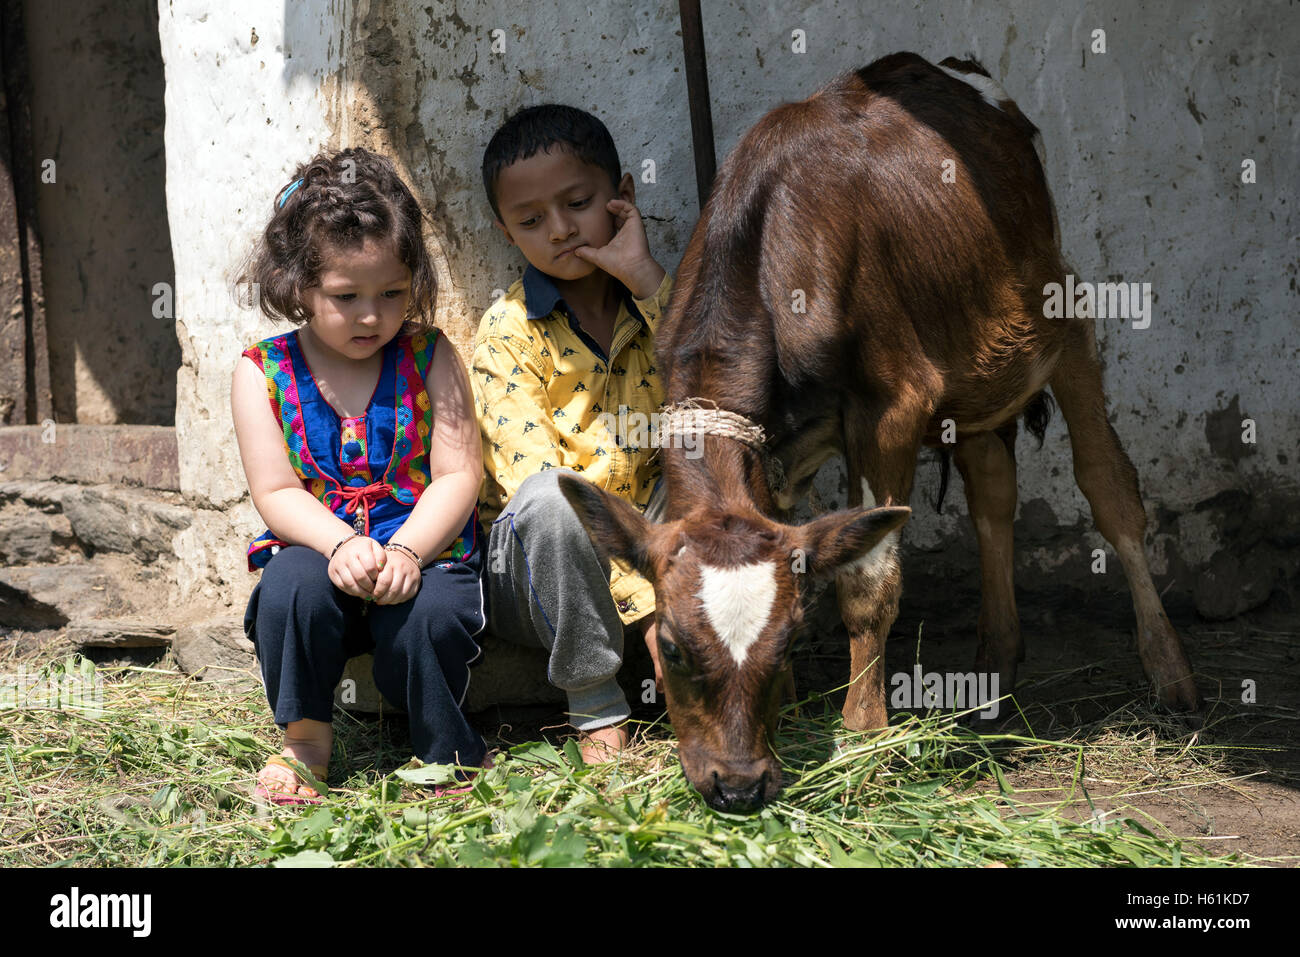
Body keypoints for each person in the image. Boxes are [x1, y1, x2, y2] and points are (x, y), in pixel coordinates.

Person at [231, 147, 490, 804]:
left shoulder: (429, 355)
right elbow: (276, 490)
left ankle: (444, 753)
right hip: (324, 554)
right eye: (347, 297)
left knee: (428, 612)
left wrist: (408, 549)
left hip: (423, 552)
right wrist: (341, 545)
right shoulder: (262, 372)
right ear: (297, 285)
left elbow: (458, 473)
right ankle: (306, 744)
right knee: (289, 587)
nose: (373, 316)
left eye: (393, 293)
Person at [472, 105, 672, 763]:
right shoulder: (509, 333)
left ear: (623, 197)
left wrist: (644, 277)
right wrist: (652, 614)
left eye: (579, 202)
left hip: (655, 543)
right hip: (539, 575)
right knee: (553, 497)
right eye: (531, 221)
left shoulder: (661, 308)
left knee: (716, 453)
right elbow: (537, 491)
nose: (560, 229)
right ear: (506, 231)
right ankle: (597, 707)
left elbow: (715, 384)